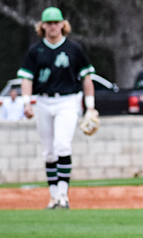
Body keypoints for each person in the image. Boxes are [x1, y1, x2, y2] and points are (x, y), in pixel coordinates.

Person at [17, 6, 97, 210]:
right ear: (42, 26)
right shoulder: (36, 50)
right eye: (49, 23)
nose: (53, 26)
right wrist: (26, 102)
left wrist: (90, 107)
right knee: (49, 152)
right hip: (43, 101)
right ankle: (53, 197)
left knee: (63, 145)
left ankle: (63, 195)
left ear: (63, 24)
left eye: (56, 22)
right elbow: (27, 78)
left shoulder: (73, 49)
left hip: (68, 101)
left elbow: (87, 78)